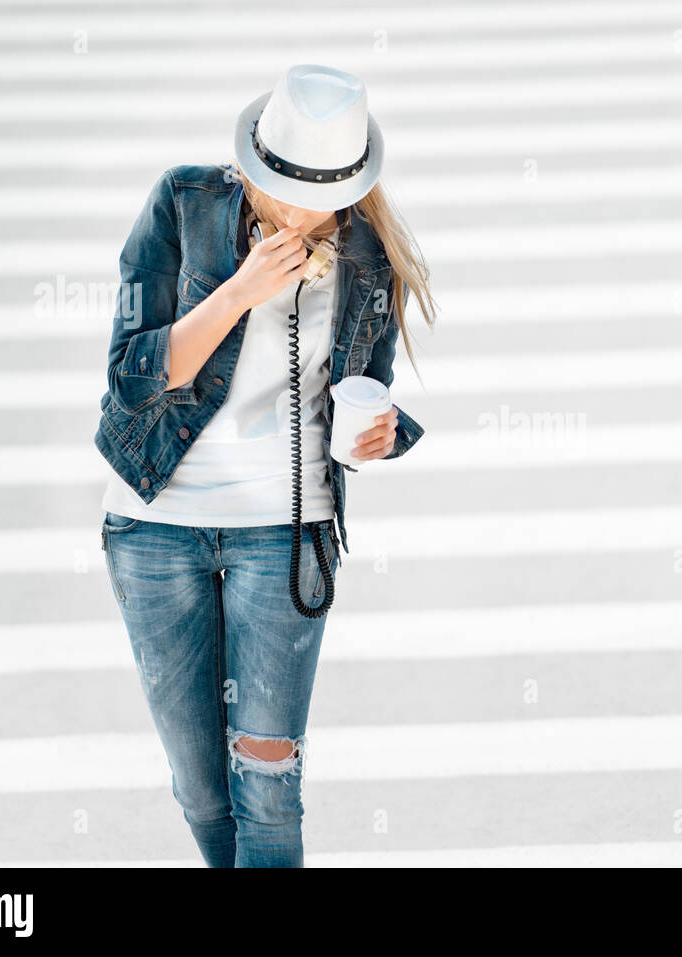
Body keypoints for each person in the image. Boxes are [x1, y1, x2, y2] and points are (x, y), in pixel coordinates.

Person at [92, 64, 436, 867]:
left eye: (324, 198)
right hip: (156, 526)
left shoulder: (367, 257)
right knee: (203, 787)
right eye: (284, 189)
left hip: (284, 534)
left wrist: (379, 430)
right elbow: (131, 376)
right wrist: (240, 292)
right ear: (253, 164)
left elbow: (360, 392)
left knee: (270, 786)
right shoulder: (183, 203)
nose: (302, 213)